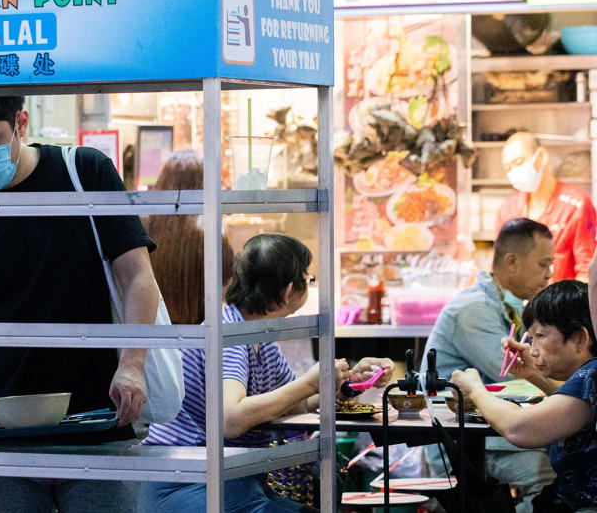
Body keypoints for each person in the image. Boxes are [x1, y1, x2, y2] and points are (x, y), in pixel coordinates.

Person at [0, 96, 160, 512]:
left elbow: (138, 276)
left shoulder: (84, 172)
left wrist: (132, 364)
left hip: (96, 424)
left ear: (20, 122)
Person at [140, 233, 392, 513]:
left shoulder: (258, 335)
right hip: (191, 485)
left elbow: (294, 404)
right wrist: (309, 382)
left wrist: (349, 383)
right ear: (287, 290)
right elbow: (231, 420)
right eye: (307, 279)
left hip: (232, 481)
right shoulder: (230, 335)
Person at [421, 217, 556, 513]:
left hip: (488, 431)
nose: (548, 275)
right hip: (459, 442)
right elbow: (513, 376)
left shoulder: (507, 306)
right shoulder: (473, 310)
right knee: (548, 473)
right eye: (543, 265)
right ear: (511, 262)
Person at [452, 280, 597, 512]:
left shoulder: (592, 375)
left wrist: (475, 390)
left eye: (540, 335)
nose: (533, 348)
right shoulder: (588, 376)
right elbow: (570, 405)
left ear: (580, 338)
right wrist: (531, 373)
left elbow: (518, 428)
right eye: (531, 337)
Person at [143, 150, 233, 325]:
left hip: (154, 330)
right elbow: (227, 279)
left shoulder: (144, 226)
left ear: (163, 181)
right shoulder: (211, 231)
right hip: (199, 335)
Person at [497, 132, 596, 281]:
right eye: (508, 168)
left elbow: (587, 270)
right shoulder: (508, 210)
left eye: (518, 162)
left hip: (563, 301)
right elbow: (502, 270)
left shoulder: (577, 206)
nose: (513, 172)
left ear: (541, 156)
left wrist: (566, 302)